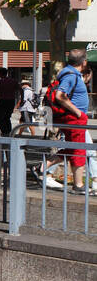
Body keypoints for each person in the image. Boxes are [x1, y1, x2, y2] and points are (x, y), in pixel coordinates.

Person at [38, 51, 91, 192]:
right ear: (83, 62)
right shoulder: (71, 75)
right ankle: (78, 185)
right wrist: (78, 113)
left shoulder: (71, 74)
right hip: (74, 119)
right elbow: (60, 95)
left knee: (72, 148)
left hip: (73, 118)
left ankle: (42, 167)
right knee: (79, 150)